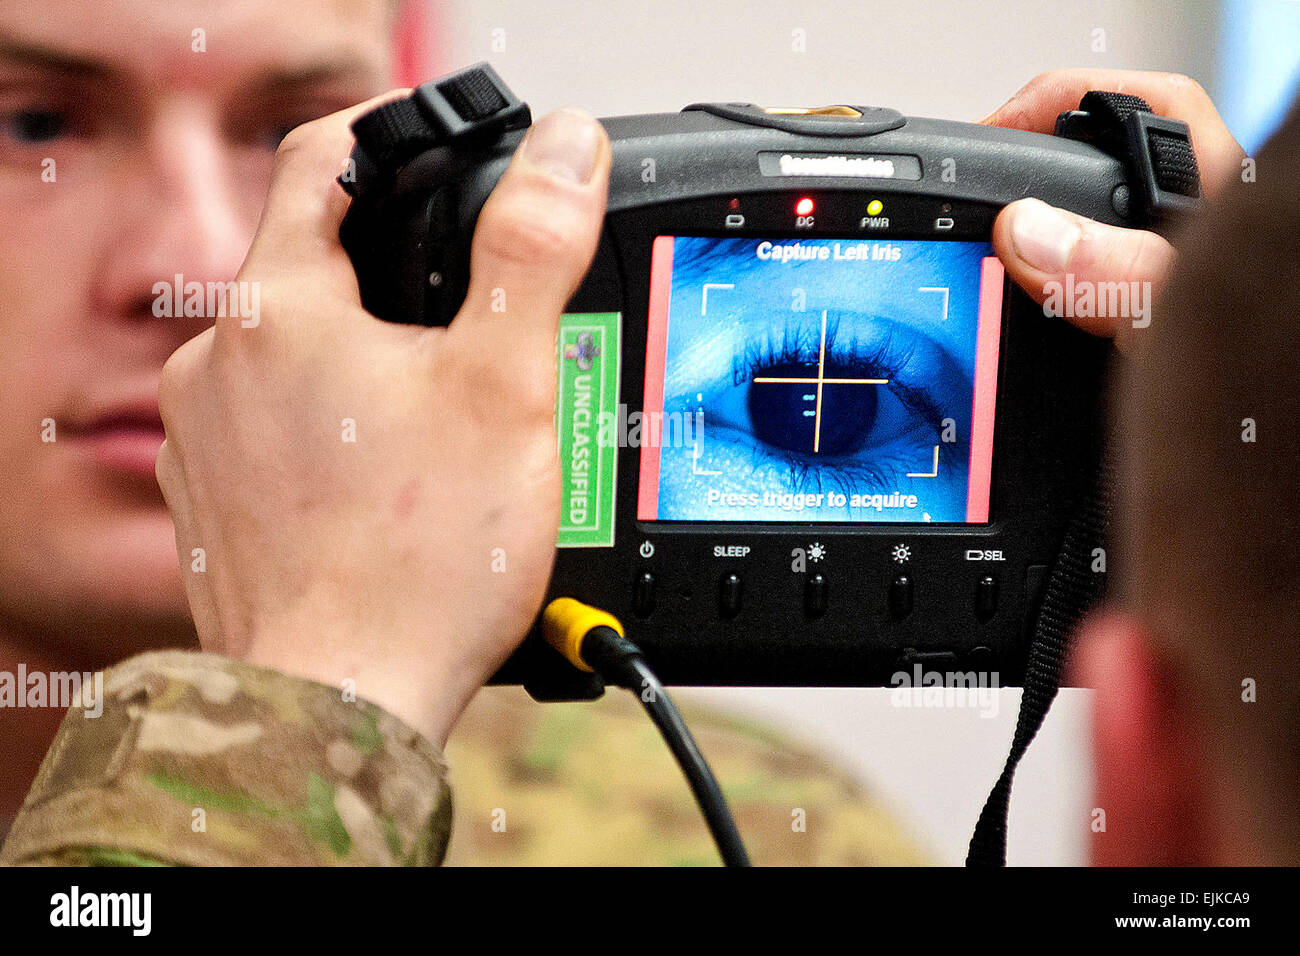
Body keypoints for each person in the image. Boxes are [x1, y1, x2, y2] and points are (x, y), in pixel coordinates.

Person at [0, 1, 1271, 865]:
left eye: (293, 138)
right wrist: (314, 710)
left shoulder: (777, 835)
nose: (195, 267)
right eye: (34, 124)